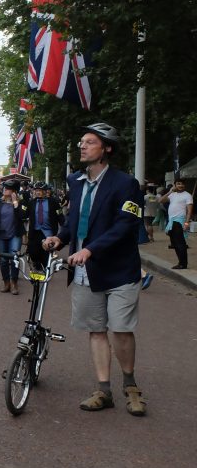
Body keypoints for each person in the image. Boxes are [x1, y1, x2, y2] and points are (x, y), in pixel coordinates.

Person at [42, 122, 146, 415]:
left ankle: (131, 386)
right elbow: (74, 221)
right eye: (81, 142)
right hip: (85, 270)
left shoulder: (126, 184)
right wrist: (60, 239)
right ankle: (104, 390)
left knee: (122, 329)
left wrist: (90, 249)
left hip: (119, 270)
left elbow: (126, 225)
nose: (82, 146)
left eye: (89, 142)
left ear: (107, 149)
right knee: (96, 330)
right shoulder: (75, 182)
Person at [0, 180, 28, 294]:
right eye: (4, 188)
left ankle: (14, 283)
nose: (5, 190)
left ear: (14, 191)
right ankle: (6, 282)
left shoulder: (21, 203)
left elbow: (23, 216)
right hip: (1, 235)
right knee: (3, 260)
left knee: (14, 258)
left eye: (8, 188)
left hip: (15, 234)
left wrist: (15, 202)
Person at [27, 182, 63, 270]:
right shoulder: (32, 202)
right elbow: (24, 214)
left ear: (45, 191)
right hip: (35, 232)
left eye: (40, 190)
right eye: (36, 190)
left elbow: (60, 216)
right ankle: (37, 264)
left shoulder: (53, 202)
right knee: (32, 252)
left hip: (48, 233)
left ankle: (46, 271)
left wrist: (64, 229)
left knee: (45, 254)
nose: (37, 192)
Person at [159, 179, 192, 270]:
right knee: (175, 244)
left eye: (182, 184)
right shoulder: (172, 194)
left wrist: (186, 223)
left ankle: (183, 264)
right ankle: (180, 262)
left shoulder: (187, 195)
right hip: (171, 222)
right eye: (178, 184)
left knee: (180, 244)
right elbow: (160, 201)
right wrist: (170, 191)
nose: (180, 185)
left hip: (179, 221)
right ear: (175, 185)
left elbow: (189, 211)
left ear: (184, 185)